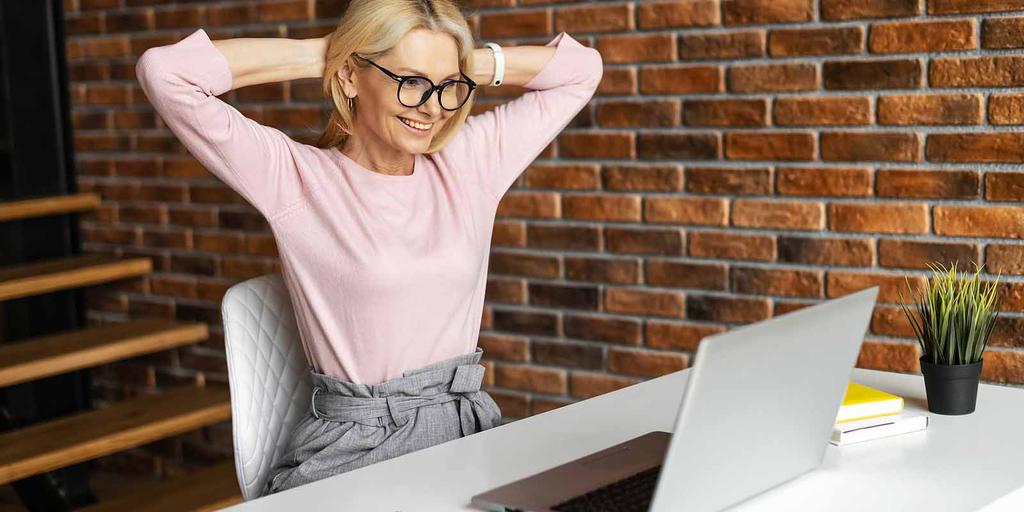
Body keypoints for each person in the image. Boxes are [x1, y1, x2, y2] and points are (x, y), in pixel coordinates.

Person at [135, 0, 603, 497]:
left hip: (465, 438)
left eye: (448, 86)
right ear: (352, 79)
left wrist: (469, 62)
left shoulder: (467, 163)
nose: (433, 107)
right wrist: (331, 56)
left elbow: (581, 71)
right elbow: (166, 73)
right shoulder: (296, 179)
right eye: (412, 80)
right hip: (355, 453)